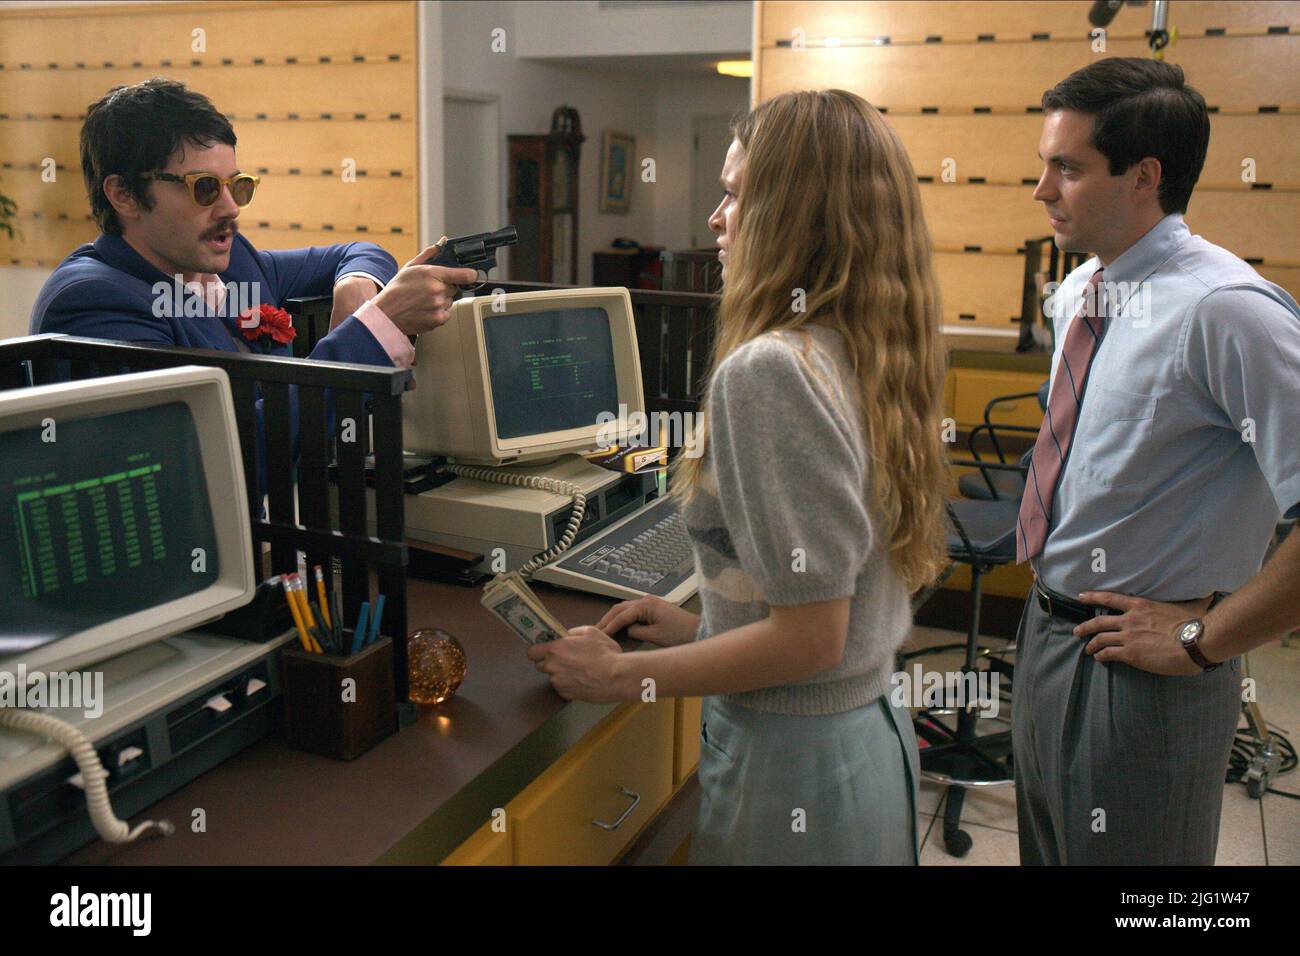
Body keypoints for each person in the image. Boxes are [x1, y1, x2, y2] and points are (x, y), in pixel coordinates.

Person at [526, 89, 950, 865]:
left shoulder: (770, 372)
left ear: (796, 219)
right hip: (865, 741)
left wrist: (623, 675)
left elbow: (812, 639)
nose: (717, 220)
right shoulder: (866, 346)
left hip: (794, 766)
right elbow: (838, 609)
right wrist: (705, 628)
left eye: (735, 195)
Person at [1014, 57, 1300, 865]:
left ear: (1145, 176)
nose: (1042, 190)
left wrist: (1202, 640)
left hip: (1150, 671)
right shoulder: (1082, 293)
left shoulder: (1228, 312)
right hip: (1048, 633)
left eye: (1066, 168)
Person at [30, 78, 475, 367]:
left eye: (236, 185)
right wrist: (378, 324)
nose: (231, 208)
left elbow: (358, 252)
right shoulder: (94, 303)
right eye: (204, 187)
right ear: (123, 194)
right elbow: (239, 452)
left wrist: (356, 284)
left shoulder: (233, 260)